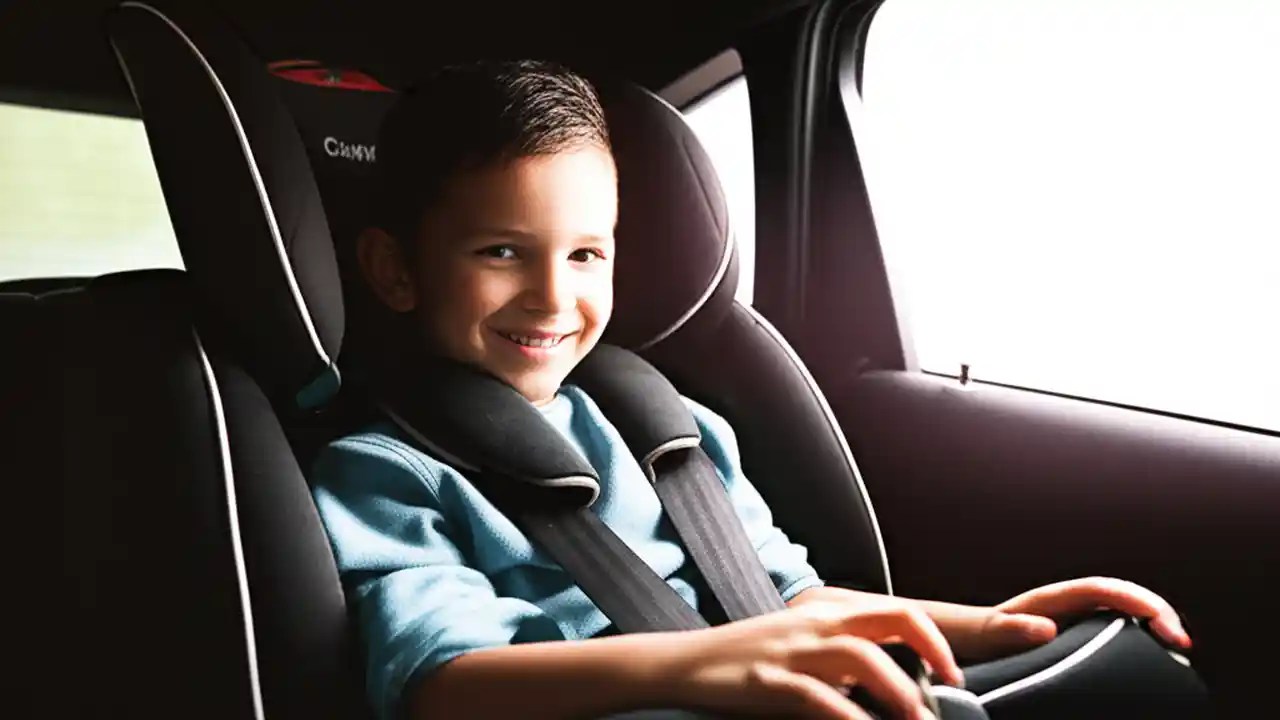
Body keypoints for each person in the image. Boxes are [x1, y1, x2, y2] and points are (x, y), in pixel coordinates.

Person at [309, 60, 1192, 720]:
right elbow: (442, 680)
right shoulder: (384, 472)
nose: (551, 296)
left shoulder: (670, 428)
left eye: (585, 254)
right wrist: (696, 664)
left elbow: (789, 605)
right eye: (500, 252)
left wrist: (997, 626)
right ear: (394, 271)